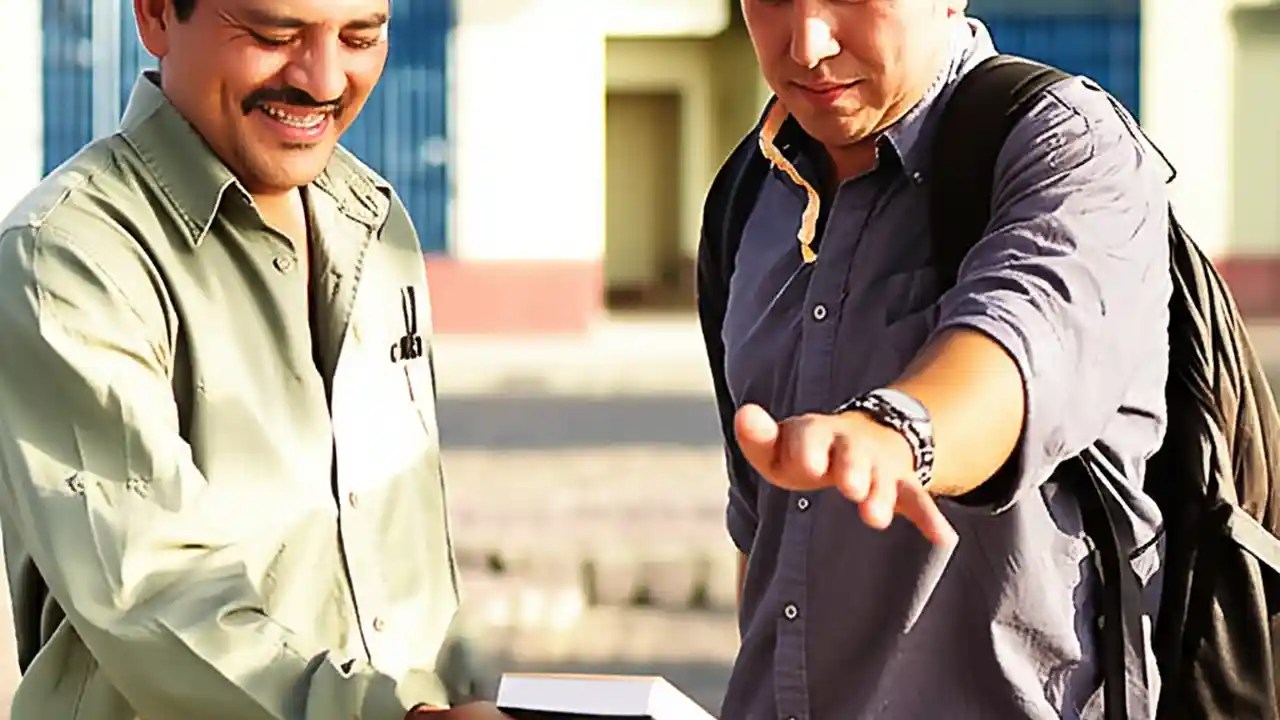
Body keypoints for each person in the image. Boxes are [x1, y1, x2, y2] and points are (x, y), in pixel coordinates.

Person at [0, 0, 509, 718]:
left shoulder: (374, 222)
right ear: (153, 15)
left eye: (362, 36)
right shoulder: (69, 256)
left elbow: (408, 555)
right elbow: (150, 595)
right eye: (273, 35)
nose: (324, 79)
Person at [698, 1, 1171, 717]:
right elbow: (763, 538)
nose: (807, 44)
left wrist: (896, 432)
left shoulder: (1068, 149)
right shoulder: (746, 195)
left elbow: (1018, 343)